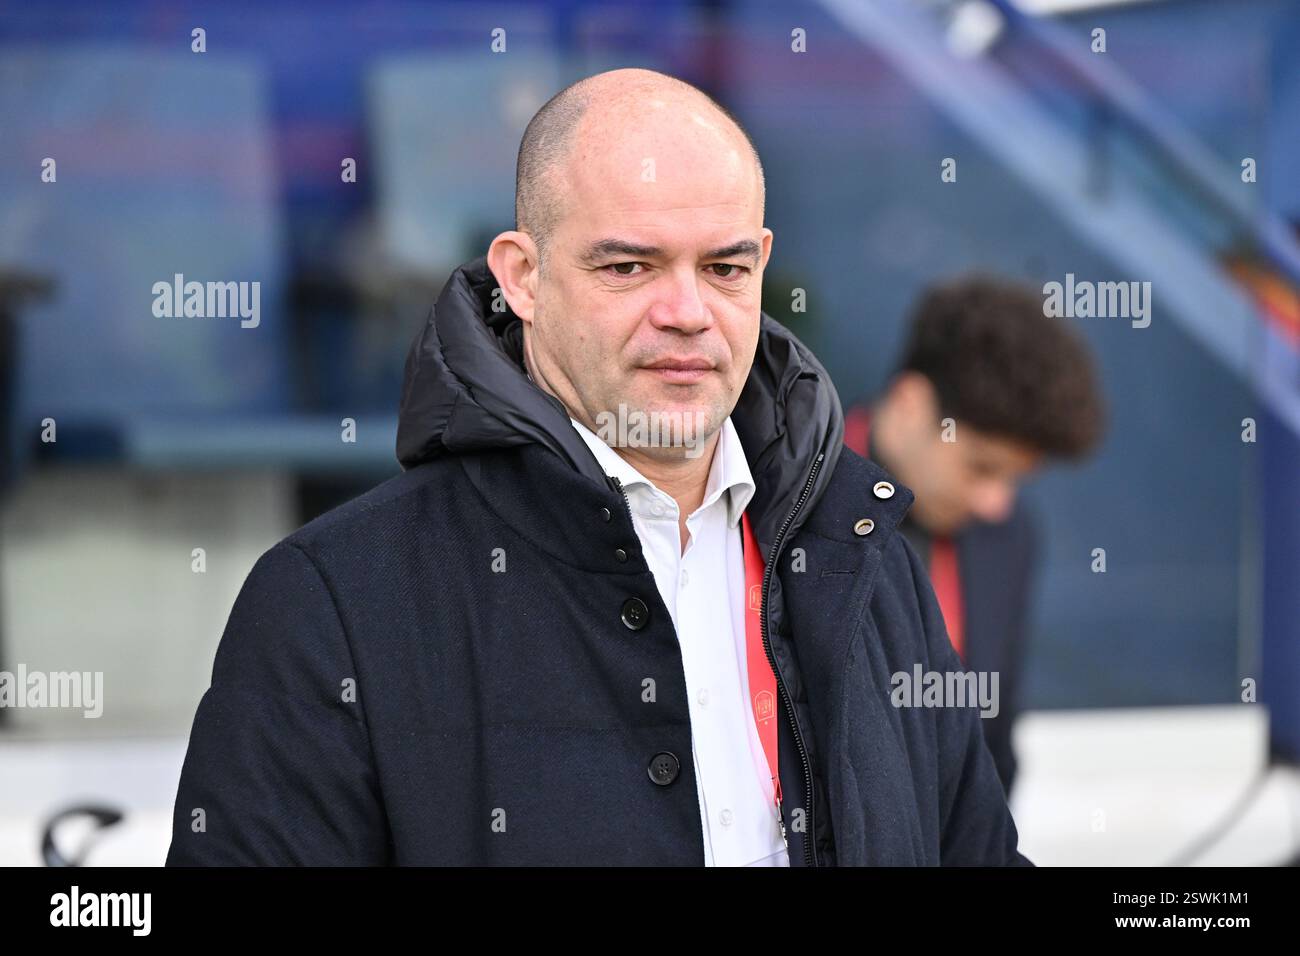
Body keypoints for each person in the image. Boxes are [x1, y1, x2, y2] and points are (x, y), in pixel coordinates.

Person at [166, 68, 1030, 866]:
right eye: (629, 266)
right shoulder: (332, 604)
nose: (688, 313)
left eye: (724, 268)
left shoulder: (869, 557)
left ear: (762, 265)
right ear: (524, 278)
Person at [843, 277, 1106, 798]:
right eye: (982, 468)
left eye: (1014, 478)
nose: (997, 502)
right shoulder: (785, 506)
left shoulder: (1007, 536)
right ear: (912, 404)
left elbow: (993, 747)